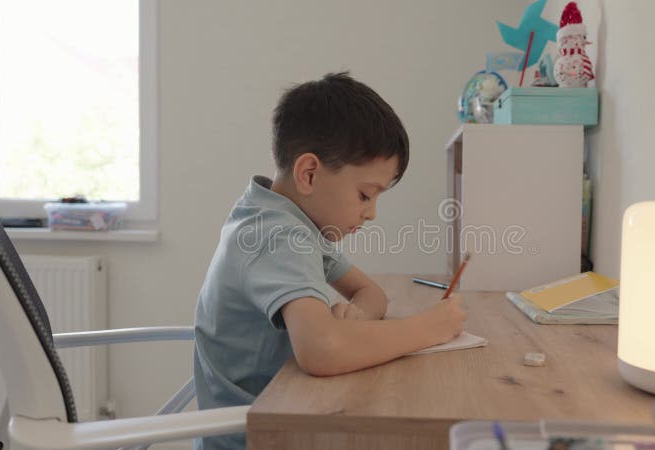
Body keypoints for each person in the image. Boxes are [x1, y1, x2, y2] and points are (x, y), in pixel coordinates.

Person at [193, 72, 467, 449]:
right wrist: (430, 329)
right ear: (309, 173)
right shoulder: (277, 236)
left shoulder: (289, 220)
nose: (371, 213)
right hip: (258, 436)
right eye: (365, 194)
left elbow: (369, 292)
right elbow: (321, 351)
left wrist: (355, 318)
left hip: (285, 414)